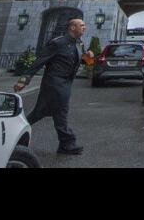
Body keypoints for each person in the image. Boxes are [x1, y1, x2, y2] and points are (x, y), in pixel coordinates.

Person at [14, 17, 91, 155]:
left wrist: (89, 57)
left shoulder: (79, 43)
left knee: (41, 112)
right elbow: (40, 61)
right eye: (82, 25)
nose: (84, 27)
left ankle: (13, 131)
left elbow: (82, 61)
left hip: (66, 83)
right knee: (61, 110)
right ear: (72, 27)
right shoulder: (58, 43)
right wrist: (23, 80)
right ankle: (67, 142)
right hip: (54, 82)